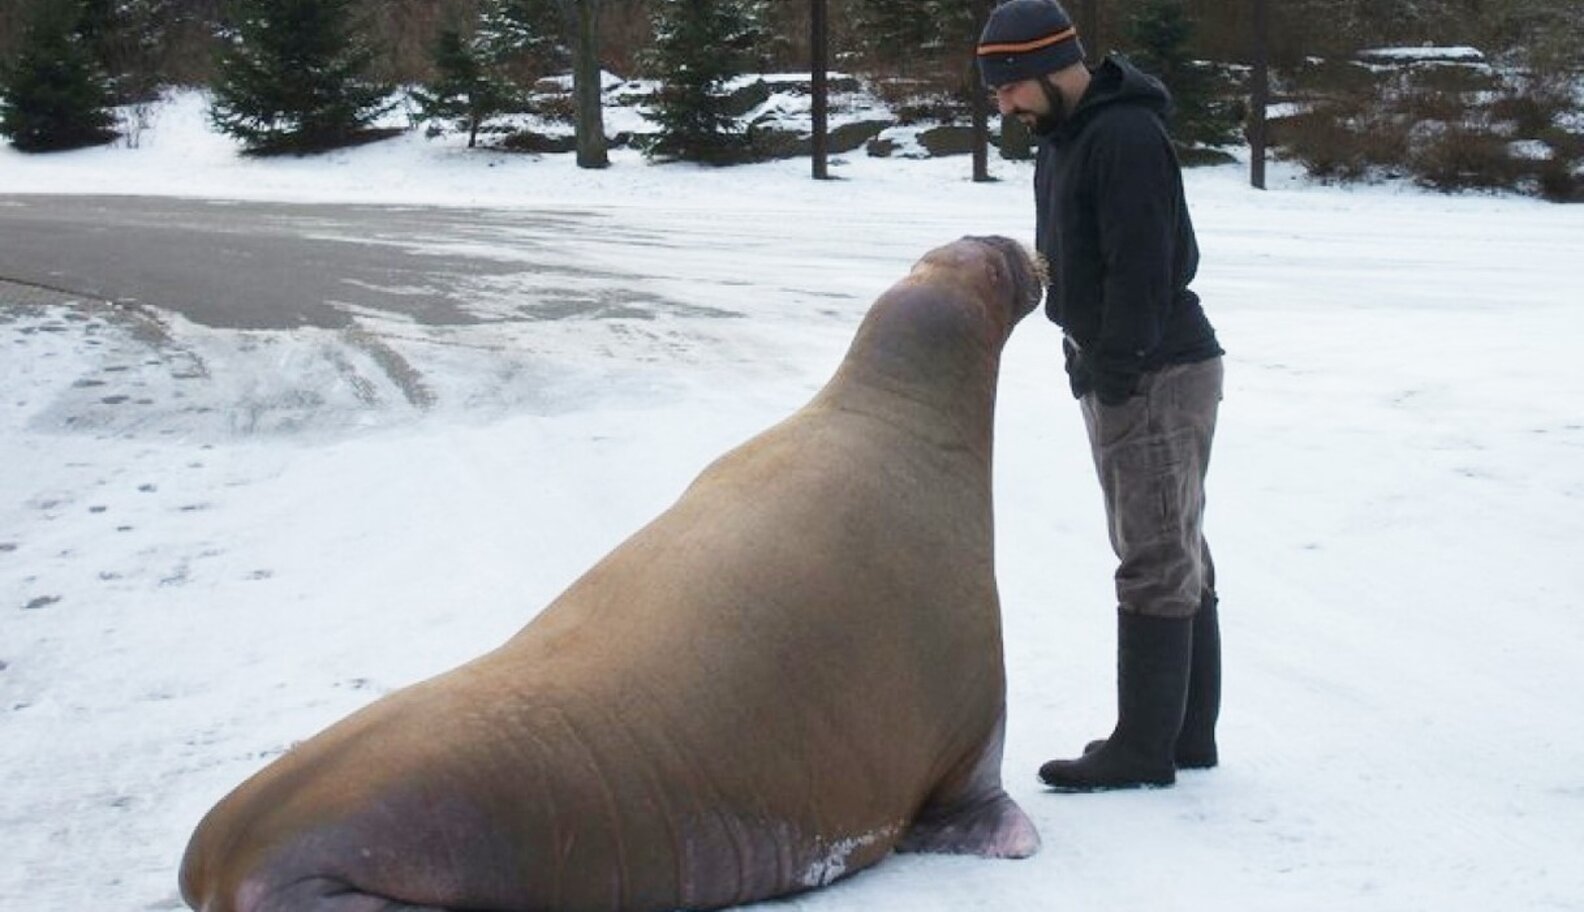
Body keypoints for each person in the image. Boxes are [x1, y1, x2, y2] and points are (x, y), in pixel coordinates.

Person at [977, 0, 1225, 792]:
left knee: (1153, 554)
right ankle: (1187, 736)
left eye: (1010, 88)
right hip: (1129, 362)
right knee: (1175, 542)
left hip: (1155, 368)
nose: (1004, 106)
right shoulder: (1068, 136)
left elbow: (1148, 265)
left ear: (1049, 67)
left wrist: (1117, 364)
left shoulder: (1122, 136)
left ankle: (1144, 750)